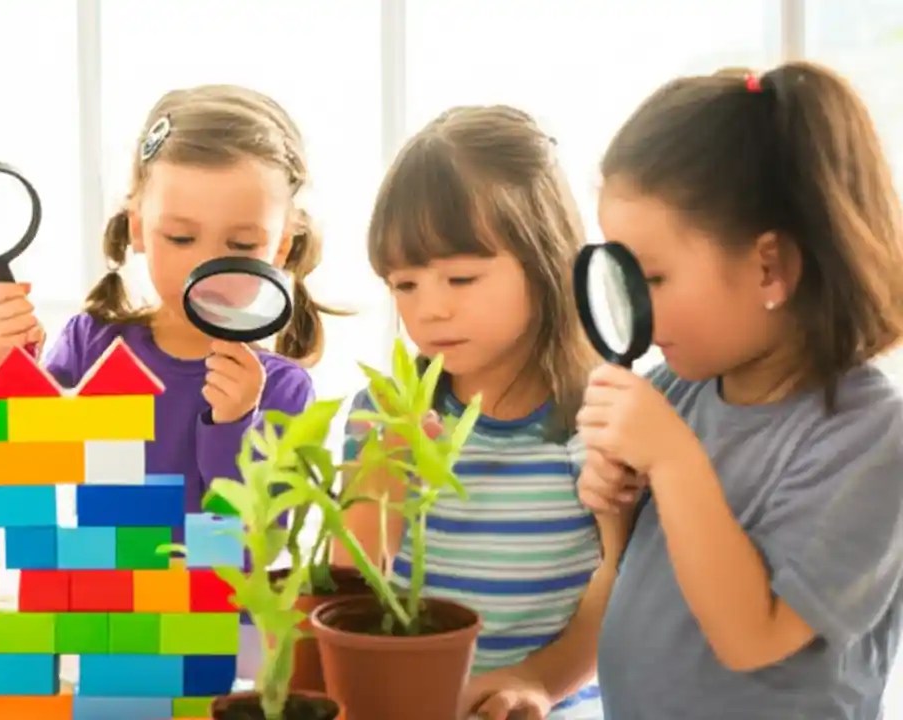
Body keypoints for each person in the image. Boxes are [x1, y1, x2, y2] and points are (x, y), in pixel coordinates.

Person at [576, 62, 903, 719]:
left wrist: (671, 459)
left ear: (769, 267)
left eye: (655, 278)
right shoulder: (677, 391)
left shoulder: (871, 437)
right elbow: (632, 573)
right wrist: (613, 503)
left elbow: (753, 636)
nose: (632, 308)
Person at [337, 106, 620, 720]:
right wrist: (379, 488)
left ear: (546, 262)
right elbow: (349, 602)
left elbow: (624, 586)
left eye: (460, 278)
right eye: (404, 286)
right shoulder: (386, 412)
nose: (429, 309)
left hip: (554, 699)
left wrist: (538, 683)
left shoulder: (595, 419)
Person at [0, 84, 338, 513]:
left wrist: (235, 423)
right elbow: (25, 464)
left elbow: (260, 529)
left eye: (241, 244)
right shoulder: (90, 344)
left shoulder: (283, 389)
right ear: (137, 228)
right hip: (102, 577)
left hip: (217, 582)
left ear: (279, 249)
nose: (206, 264)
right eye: (181, 237)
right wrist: (4, 363)